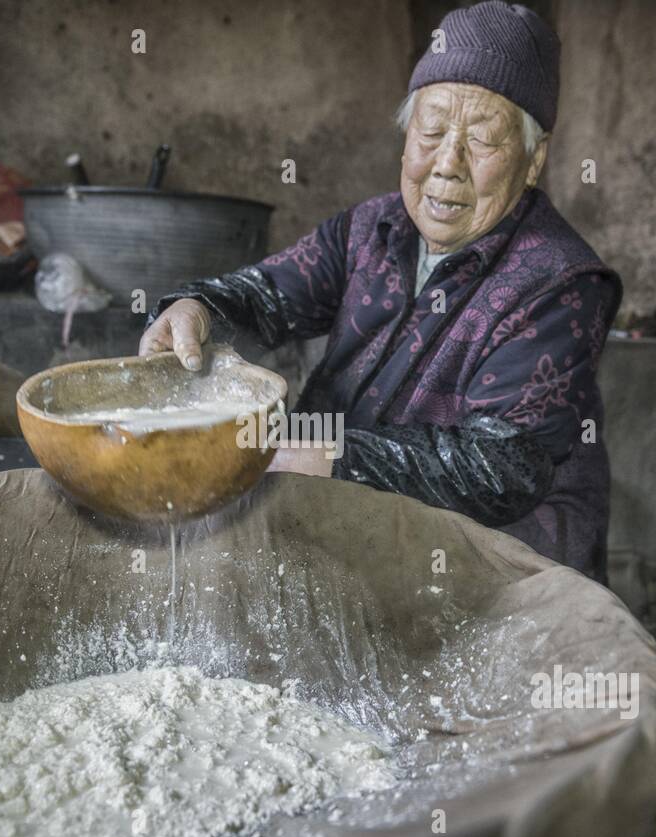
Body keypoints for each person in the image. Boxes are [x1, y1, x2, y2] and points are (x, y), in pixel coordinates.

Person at [139, 2, 621, 583]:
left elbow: (500, 470)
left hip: (499, 571)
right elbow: (264, 296)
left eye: (484, 141)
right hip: (347, 531)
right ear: (405, 138)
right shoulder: (372, 229)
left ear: (533, 160)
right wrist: (197, 309)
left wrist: (325, 455)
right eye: (433, 131)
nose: (448, 165)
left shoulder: (560, 283)